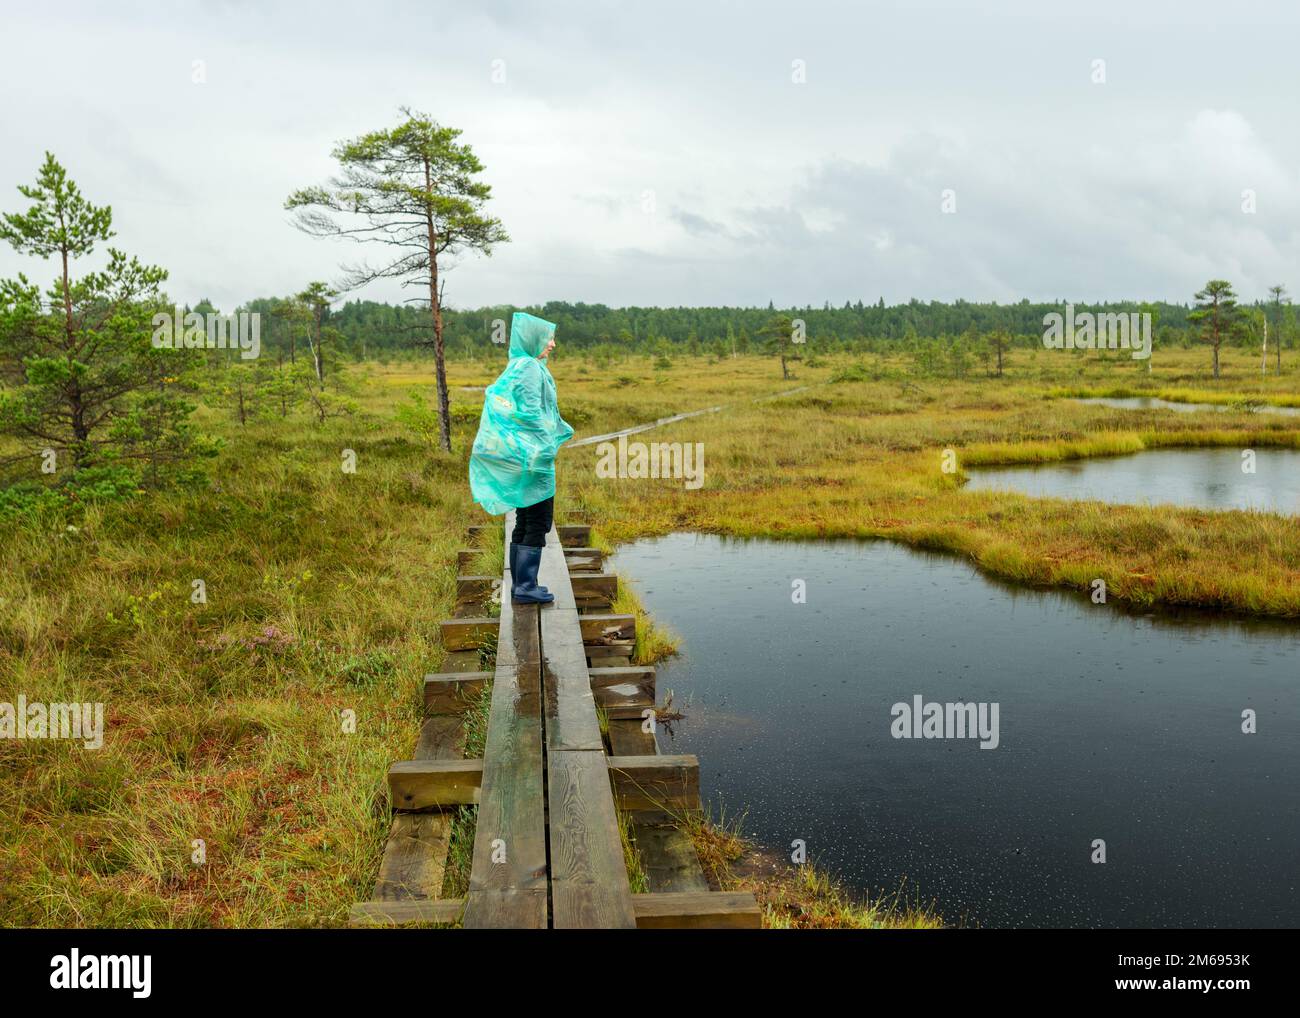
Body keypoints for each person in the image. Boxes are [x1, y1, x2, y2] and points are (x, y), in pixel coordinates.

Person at [468, 312, 574, 603]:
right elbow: (529, 413)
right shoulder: (528, 366)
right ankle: (525, 586)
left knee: (525, 517)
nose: (552, 344)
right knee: (538, 521)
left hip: (525, 455)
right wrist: (545, 447)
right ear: (532, 338)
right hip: (534, 457)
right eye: (548, 337)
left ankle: (522, 585)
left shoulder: (520, 364)